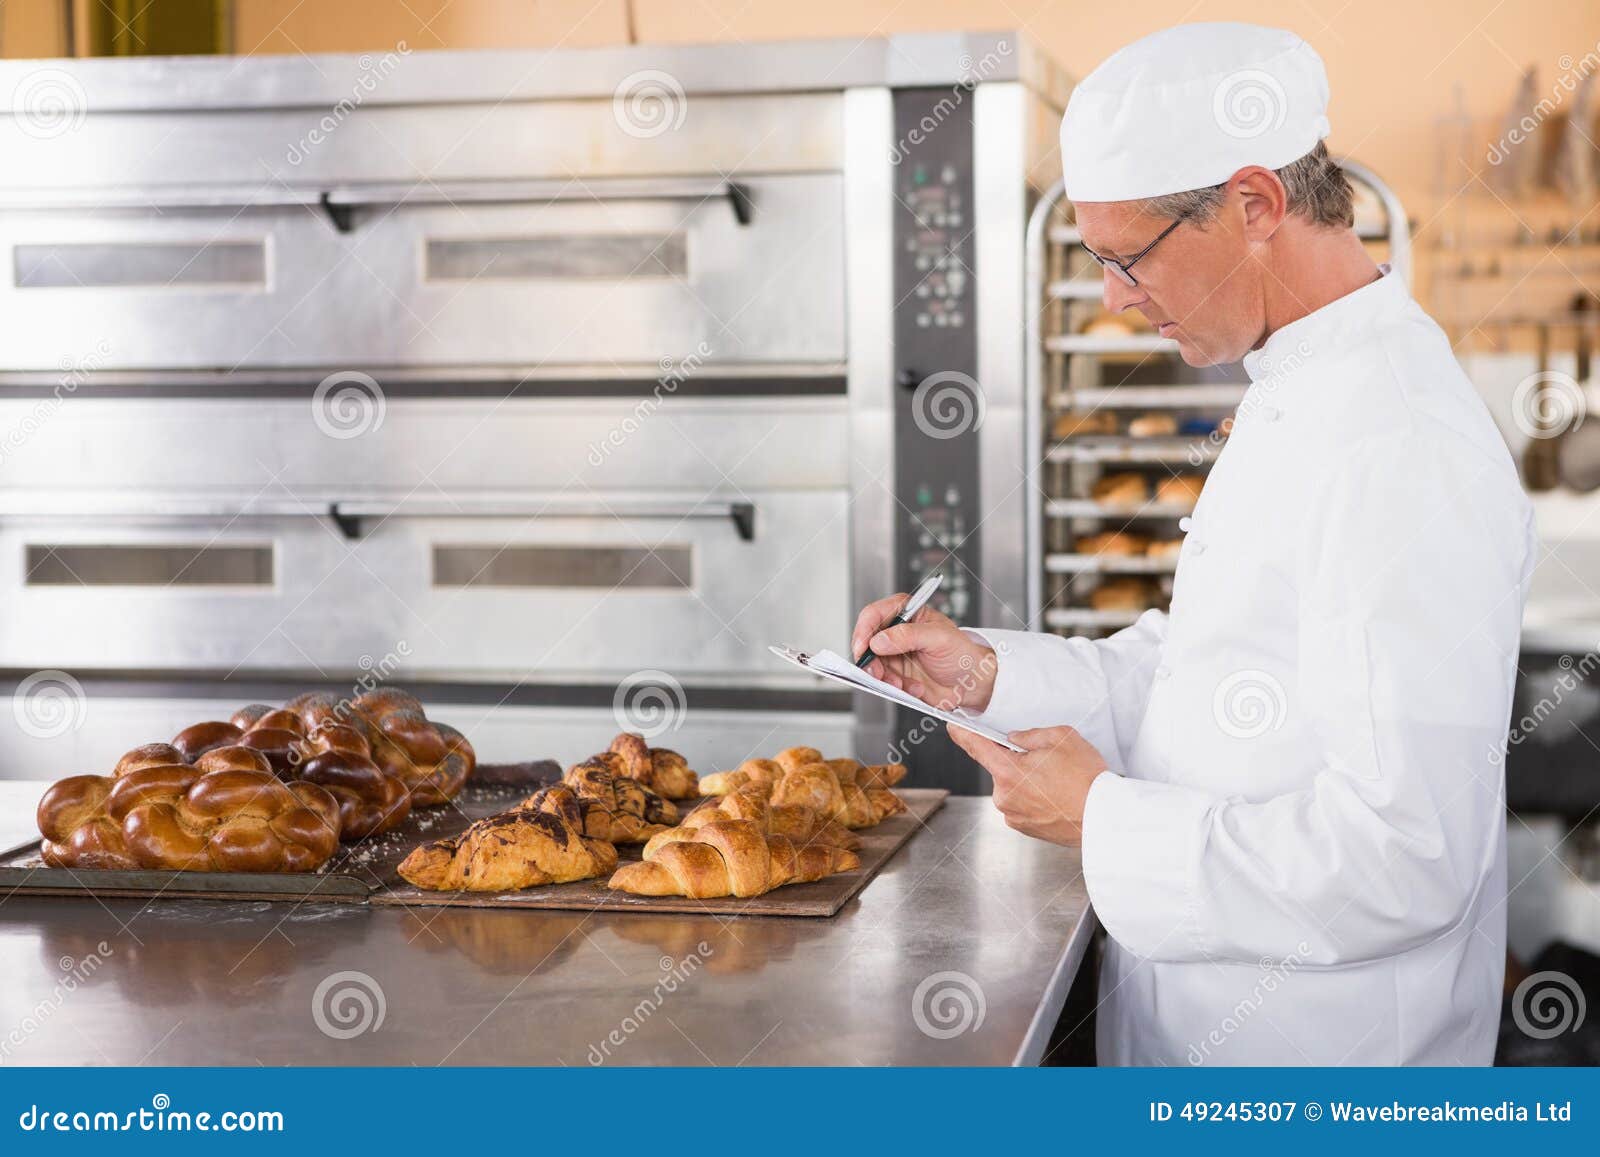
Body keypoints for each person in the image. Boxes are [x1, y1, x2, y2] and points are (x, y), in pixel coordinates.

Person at [852, 22, 1535, 1066]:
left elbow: (1407, 855)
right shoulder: (1296, 385)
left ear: (1254, 203)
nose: (1115, 300)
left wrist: (1103, 819)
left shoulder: (1398, 443)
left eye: (1127, 259)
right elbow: (1213, 679)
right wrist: (991, 673)